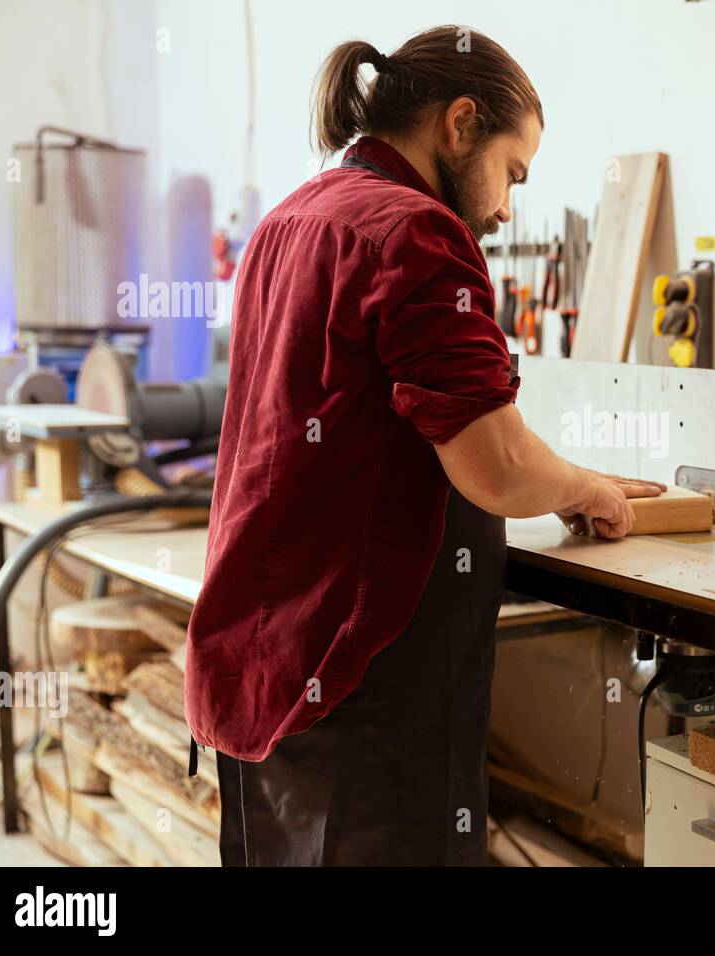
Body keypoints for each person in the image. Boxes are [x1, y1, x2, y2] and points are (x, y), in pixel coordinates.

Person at [184, 25, 665, 866]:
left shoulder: (289, 219)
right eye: (513, 171)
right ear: (460, 124)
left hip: (265, 653)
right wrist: (589, 489)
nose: (508, 206)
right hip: (359, 671)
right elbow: (496, 464)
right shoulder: (417, 234)